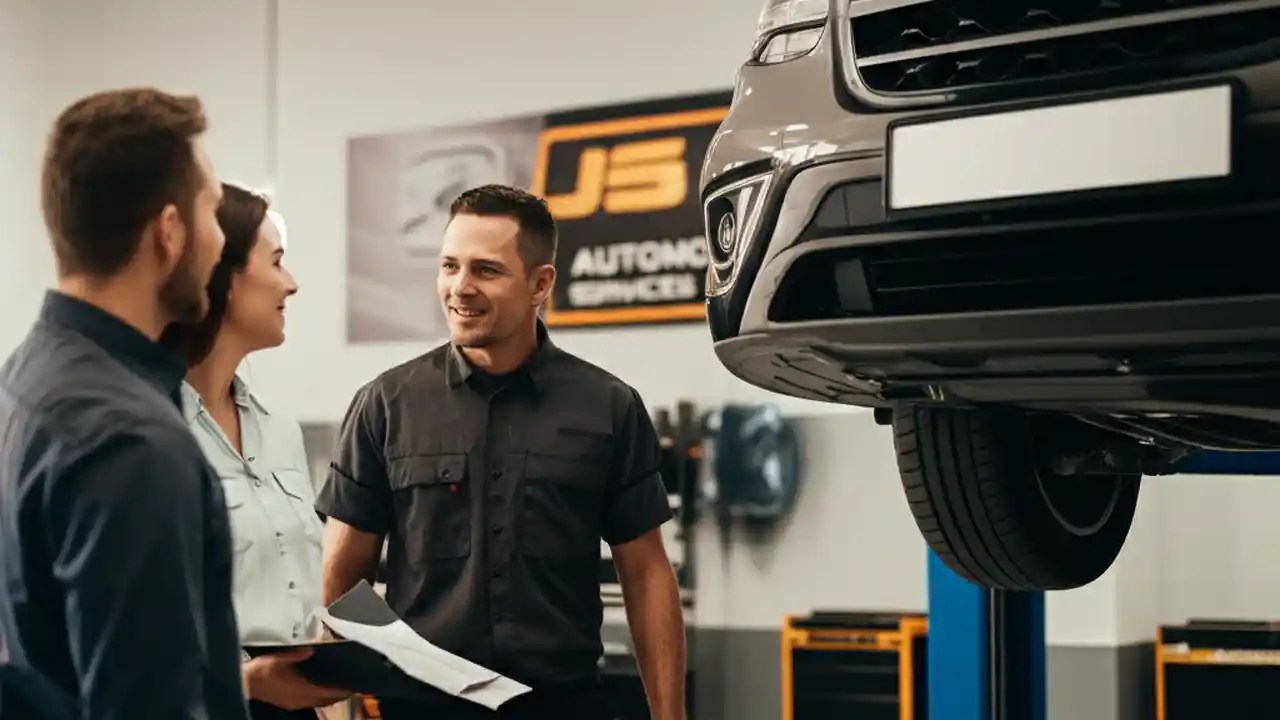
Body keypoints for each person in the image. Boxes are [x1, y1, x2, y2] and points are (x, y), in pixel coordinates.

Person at [316, 184, 688, 720]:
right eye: (449, 266)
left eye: (486, 270)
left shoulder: (608, 407)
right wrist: (338, 710)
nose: (460, 288)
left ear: (541, 284)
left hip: (563, 708)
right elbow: (342, 581)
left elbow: (647, 573)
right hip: (421, 708)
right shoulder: (386, 405)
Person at [0, 88, 248, 719]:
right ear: (168, 232)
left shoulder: (22, 379)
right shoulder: (133, 443)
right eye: (212, 213)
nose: (220, 241)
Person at [159, 184, 353, 719]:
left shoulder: (279, 430)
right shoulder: (152, 432)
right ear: (222, 277)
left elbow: (304, 602)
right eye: (277, 261)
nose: (291, 283)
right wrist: (244, 681)